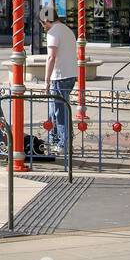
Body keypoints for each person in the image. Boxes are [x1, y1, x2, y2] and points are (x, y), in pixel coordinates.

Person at [41, 8, 78, 157]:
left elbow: (51, 57)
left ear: (46, 20)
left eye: (42, 23)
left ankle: (64, 143)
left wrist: (46, 80)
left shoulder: (53, 32)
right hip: (70, 75)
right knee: (55, 111)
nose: (42, 26)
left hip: (59, 76)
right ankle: (55, 139)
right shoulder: (67, 30)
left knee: (59, 112)